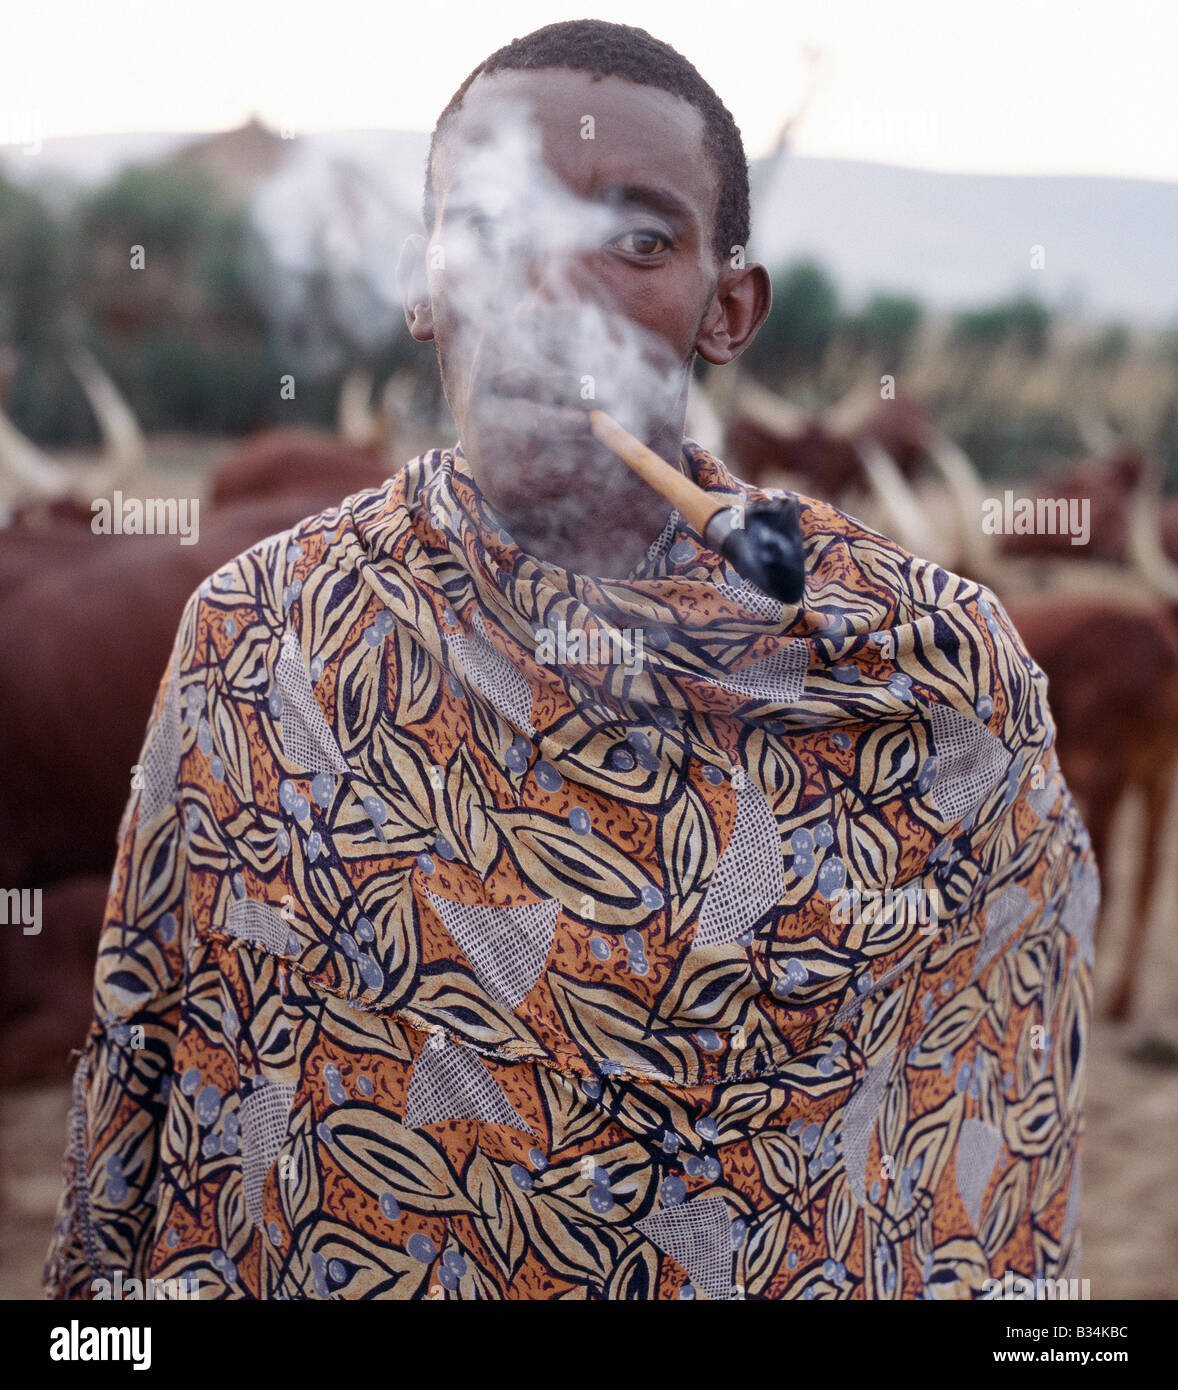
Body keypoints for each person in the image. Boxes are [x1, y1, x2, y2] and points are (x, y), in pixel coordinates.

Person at [45, 19, 1094, 1301]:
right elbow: (141, 1086)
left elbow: (996, 1134)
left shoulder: (925, 675)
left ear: (728, 308)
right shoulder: (262, 636)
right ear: (424, 284)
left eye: (639, 241)